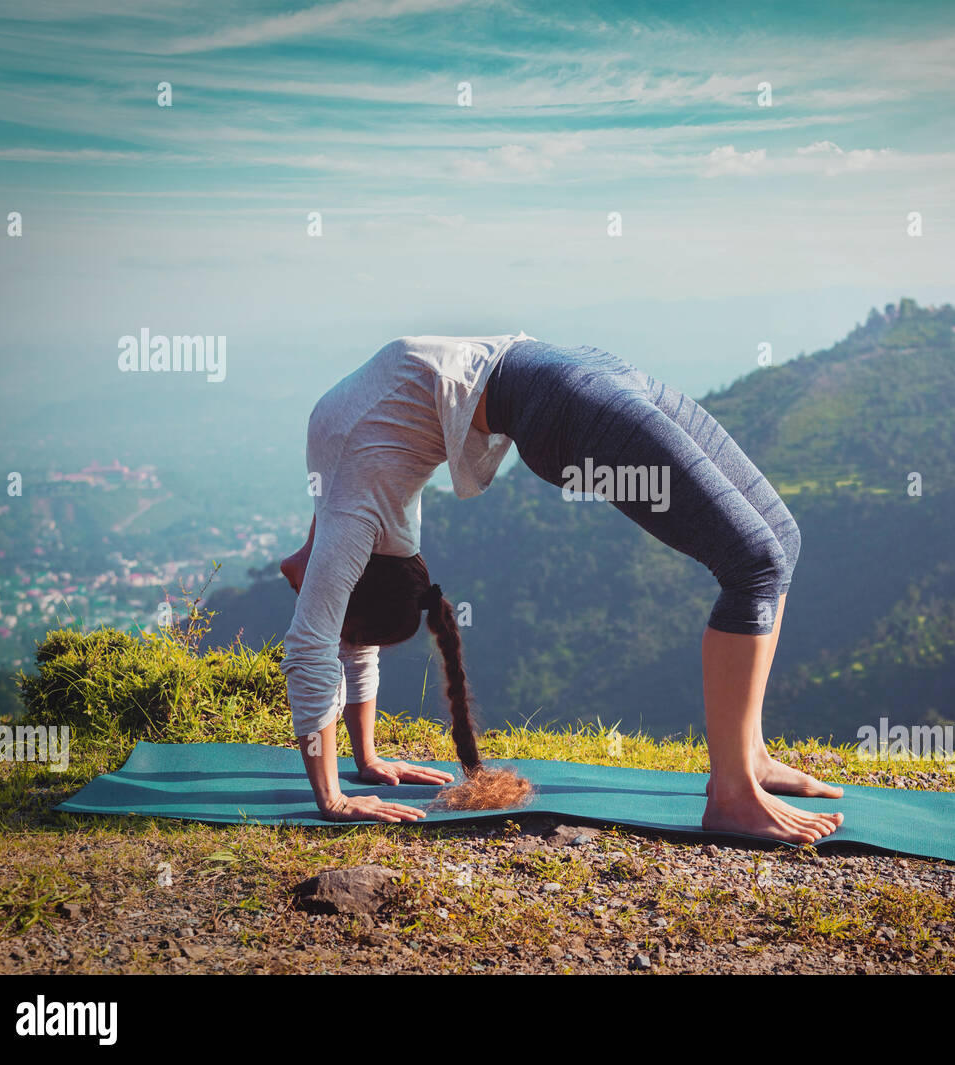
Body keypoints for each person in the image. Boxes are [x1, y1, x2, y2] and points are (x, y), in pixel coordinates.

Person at [280, 333, 844, 843]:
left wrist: (337, 793)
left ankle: (749, 758)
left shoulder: (355, 513)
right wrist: (361, 762)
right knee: (756, 561)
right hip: (564, 383)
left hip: (576, 382)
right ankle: (733, 792)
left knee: (779, 542)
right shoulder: (356, 504)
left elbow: (314, 643)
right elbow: (340, 631)